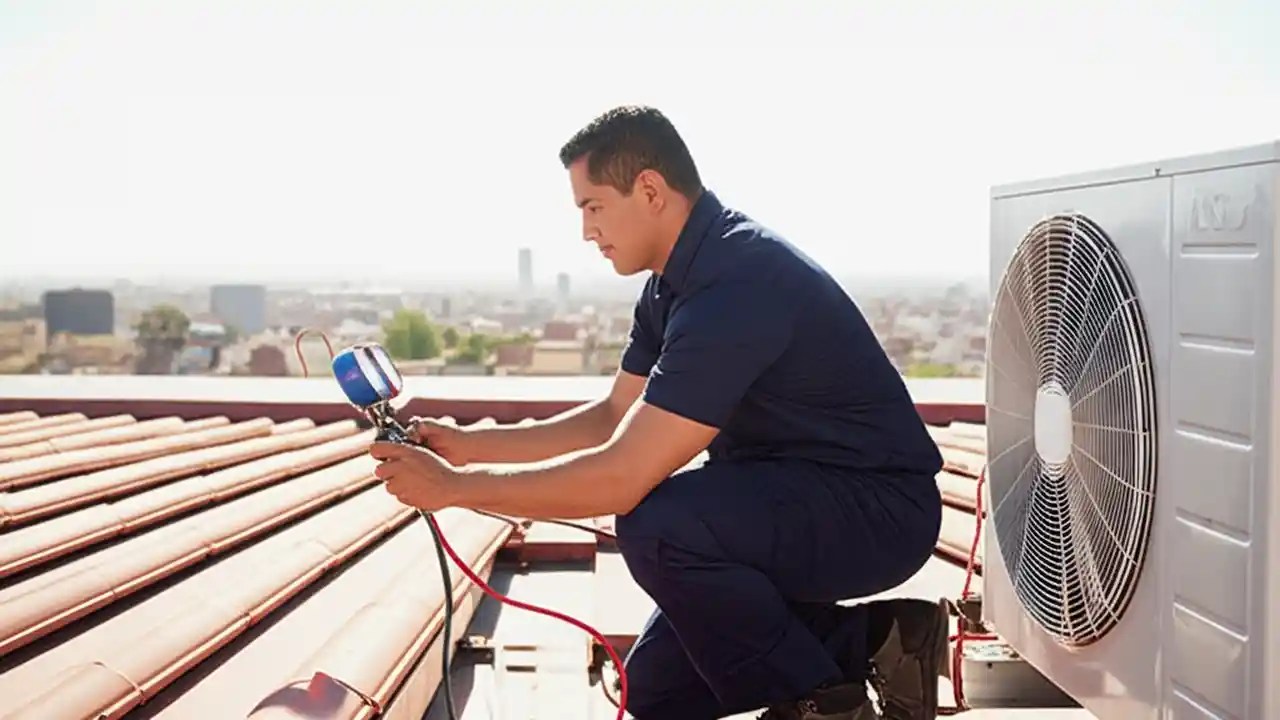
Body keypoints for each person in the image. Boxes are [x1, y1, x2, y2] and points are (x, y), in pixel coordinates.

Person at [369, 106, 949, 720]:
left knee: (657, 524)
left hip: (876, 512)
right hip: (793, 507)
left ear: (649, 189)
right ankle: (885, 641)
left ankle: (821, 706)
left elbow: (622, 476)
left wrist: (457, 490)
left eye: (592, 207)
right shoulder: (671, 286)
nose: (587, 232)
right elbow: (615, 415)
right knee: (658, 692)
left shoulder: (738, 283)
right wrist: (468, 446)